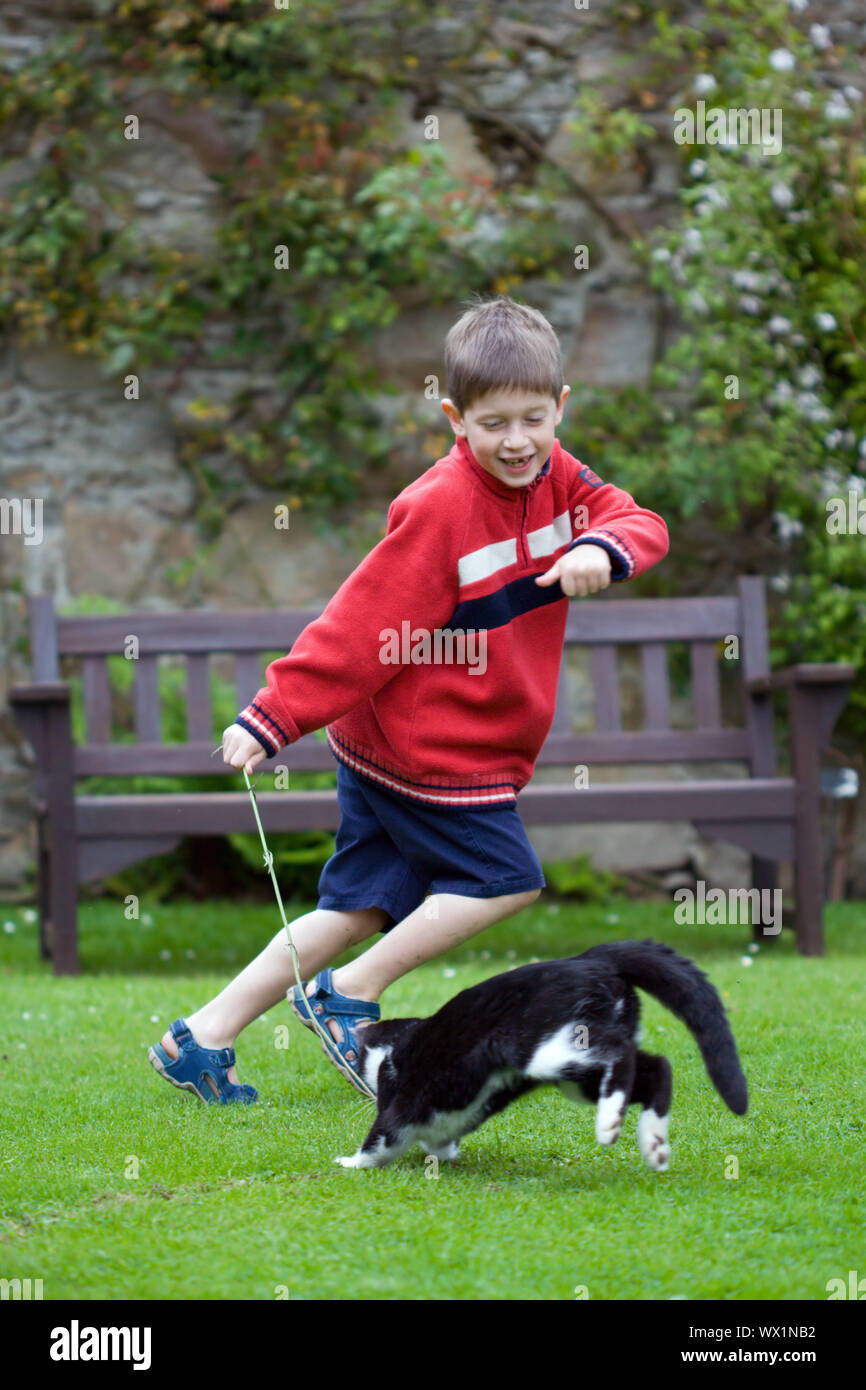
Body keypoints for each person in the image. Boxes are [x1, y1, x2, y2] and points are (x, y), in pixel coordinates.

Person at [147, 294, 669, 1104]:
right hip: (427, 752)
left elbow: (636, 519)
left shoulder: (561, 478)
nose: (518, 441)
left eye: (535, 418)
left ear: (561, 408)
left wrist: (607, 546)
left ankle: (202, 1036)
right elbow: (357, 627)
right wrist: (273, 715)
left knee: (357, 905)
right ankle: (345, 994)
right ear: (454, 417)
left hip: (402, 747)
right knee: (506, 878)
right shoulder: (441, 509)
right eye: (494, 423)